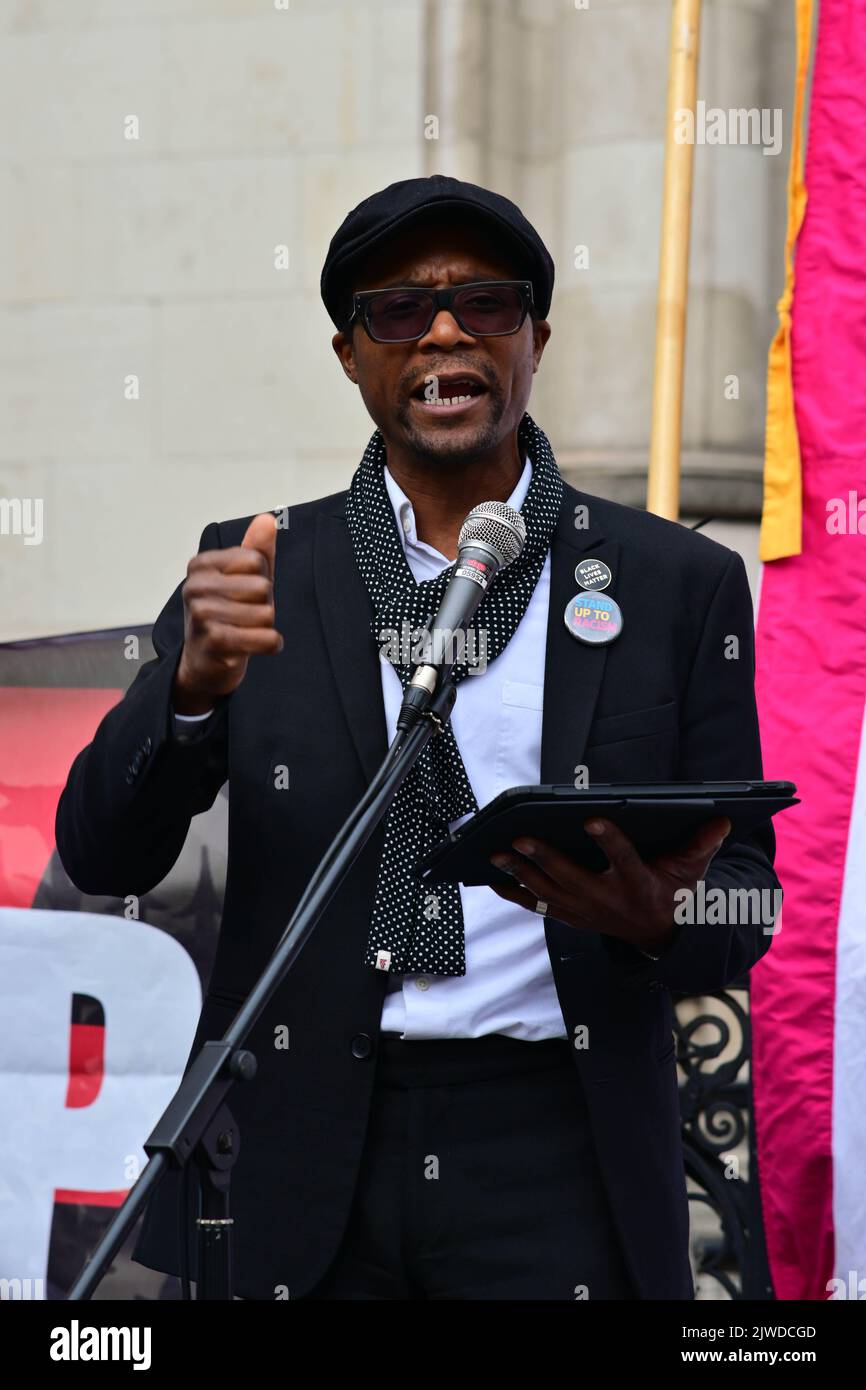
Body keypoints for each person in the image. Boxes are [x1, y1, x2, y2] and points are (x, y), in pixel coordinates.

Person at [56, 174, 779, 1300]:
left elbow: (746, 895)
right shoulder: (257, 567)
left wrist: (654, 920)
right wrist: (187, 692)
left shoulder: (673, 583)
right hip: (303, 1151)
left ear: (536, 336)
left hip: (559, 1149)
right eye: (398, 310)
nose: (443, 329)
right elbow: (103, 851)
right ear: (351, 356)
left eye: (484, 303)